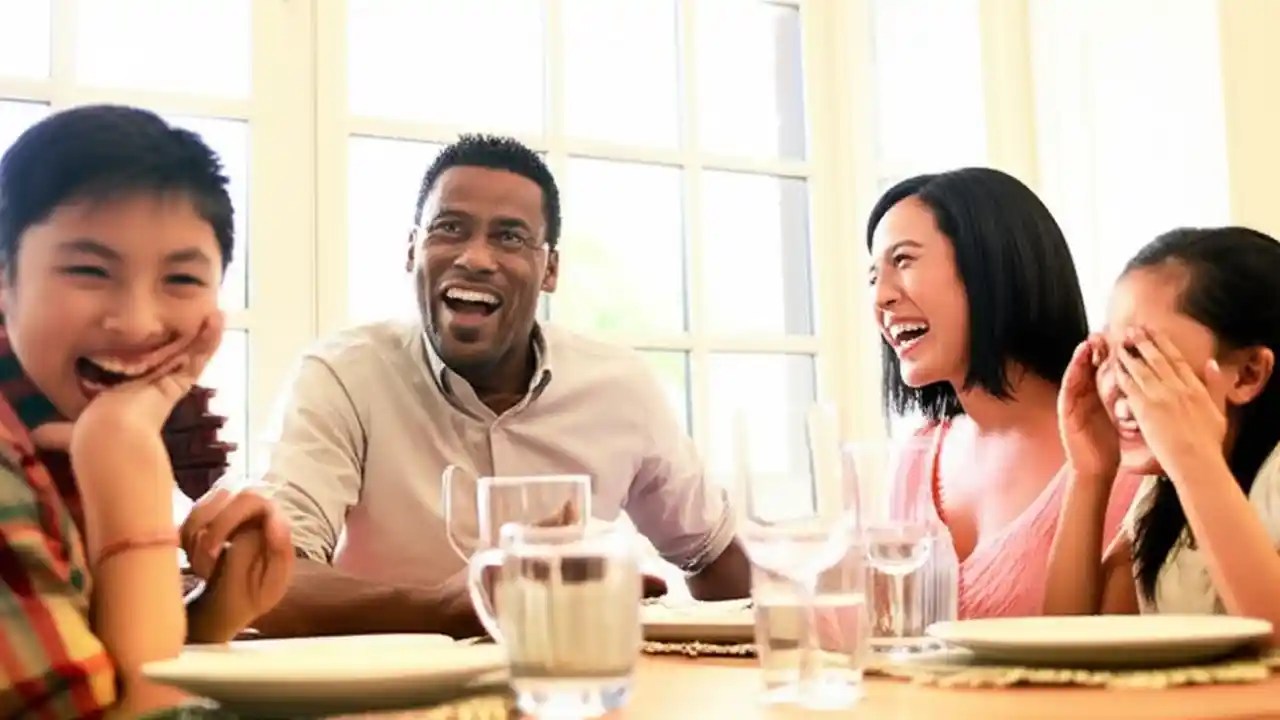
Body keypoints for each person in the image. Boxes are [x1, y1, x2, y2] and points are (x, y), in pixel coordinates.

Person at [251, 134, 750, 639]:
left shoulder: (620, 388)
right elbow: (264, 582)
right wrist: (440, 608)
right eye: (449, 228)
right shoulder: (342, 377)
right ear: (412, 249)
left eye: (509, 237)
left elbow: (715, 556)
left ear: (550, 268)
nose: (476, 258)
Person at [0, 104, 293, 718]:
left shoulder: (57, 416)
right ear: (6, 279)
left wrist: (207, 619)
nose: (135, 322)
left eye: (181, 280)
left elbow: (101, 672)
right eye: (88, 270)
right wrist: (127, 466)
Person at [866, 167, 1139, 618]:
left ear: (991, 266)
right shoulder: (914, 462)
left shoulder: (1127, 458)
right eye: (874, 276)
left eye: (904, 261)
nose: (882, 299)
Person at [1045, 227, 1280, 643]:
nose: (1117, 383)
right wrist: (1089, 474)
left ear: (1248, 373)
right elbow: (1069, 642)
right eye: (1106, 355)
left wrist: (1194, 461)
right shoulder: (1161, 493)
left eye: (1141, 355)